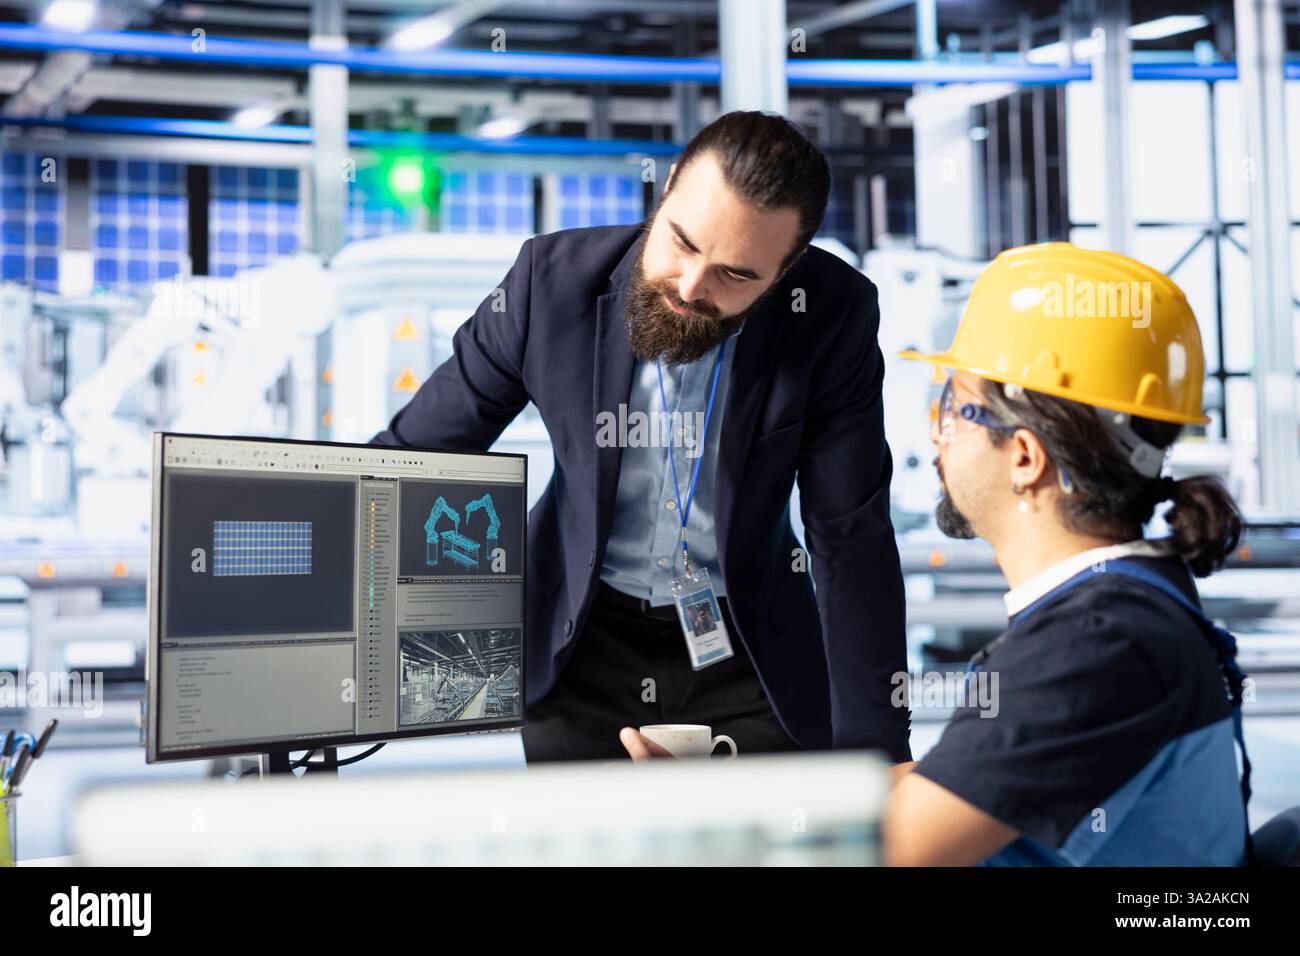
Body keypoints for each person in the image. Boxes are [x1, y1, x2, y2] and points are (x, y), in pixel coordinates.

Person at [373, 111, 911, 763]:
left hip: (748, 647)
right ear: (670, 187)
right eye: (683, 242)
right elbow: (415, 463)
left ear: (787, 267)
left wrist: (881, 754)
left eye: (736, 274)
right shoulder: (550, 283)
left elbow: (850, 538)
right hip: (577, 645)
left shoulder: (832, 313)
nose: (691, 287)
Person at [883, 242, 1251, 865]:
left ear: (1025, 457)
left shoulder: (1097, 641)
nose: (933, 431)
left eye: (952, 407)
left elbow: (895, 848)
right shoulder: (1125, 605)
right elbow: (949, 780)